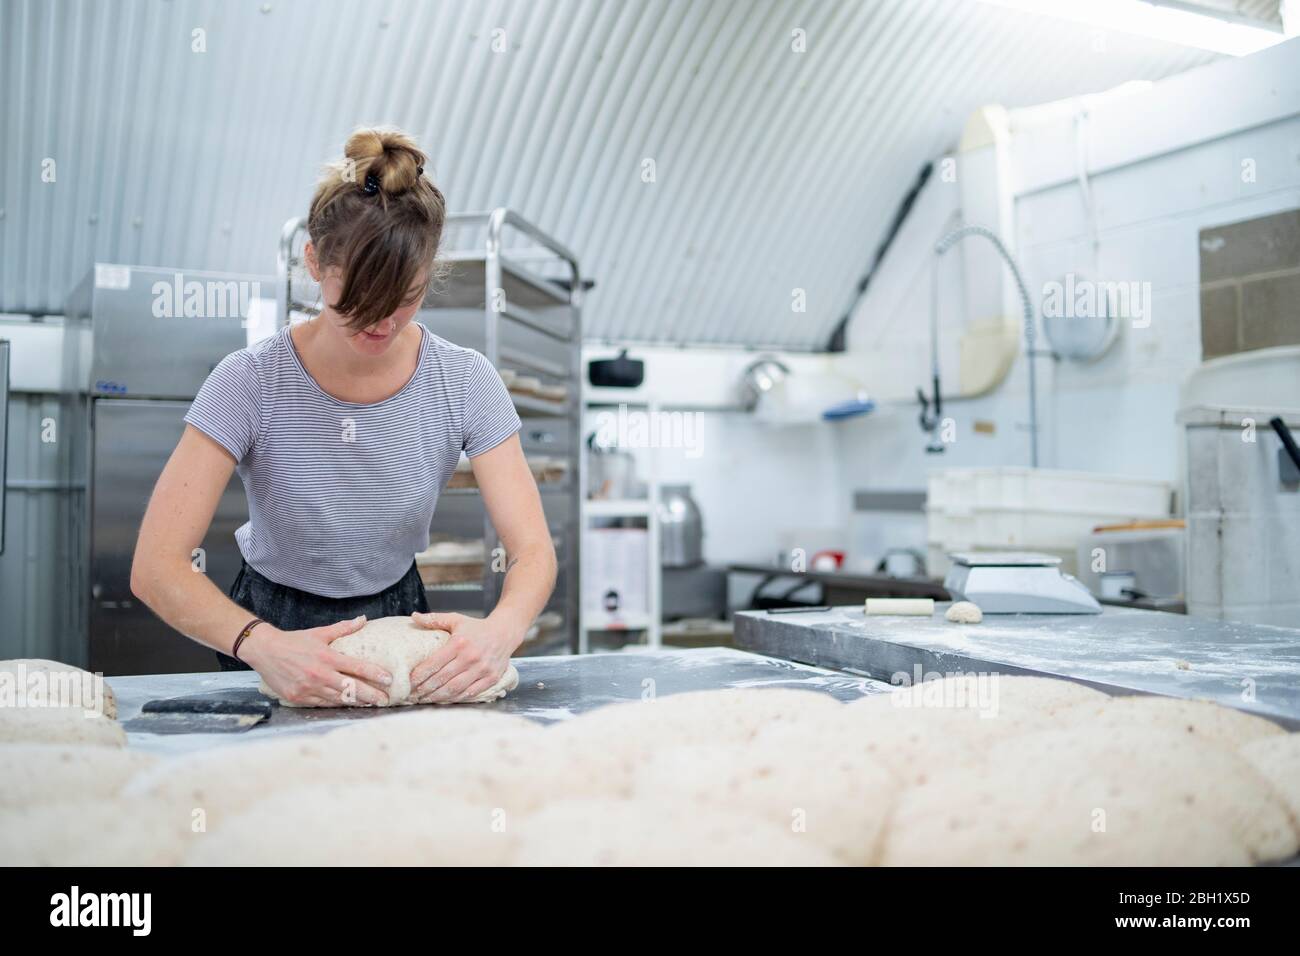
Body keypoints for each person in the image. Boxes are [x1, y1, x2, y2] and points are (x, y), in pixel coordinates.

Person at [130, 127, 555, 706]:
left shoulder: (464, 379)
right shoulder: (248, 380)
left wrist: (501, 631)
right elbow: (156, 566)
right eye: (357, 297)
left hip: (400, 616)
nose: (381, 321)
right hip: (269, 620)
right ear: (312, 261)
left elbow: (532, 550)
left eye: (405, 297)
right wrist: (262, 644)